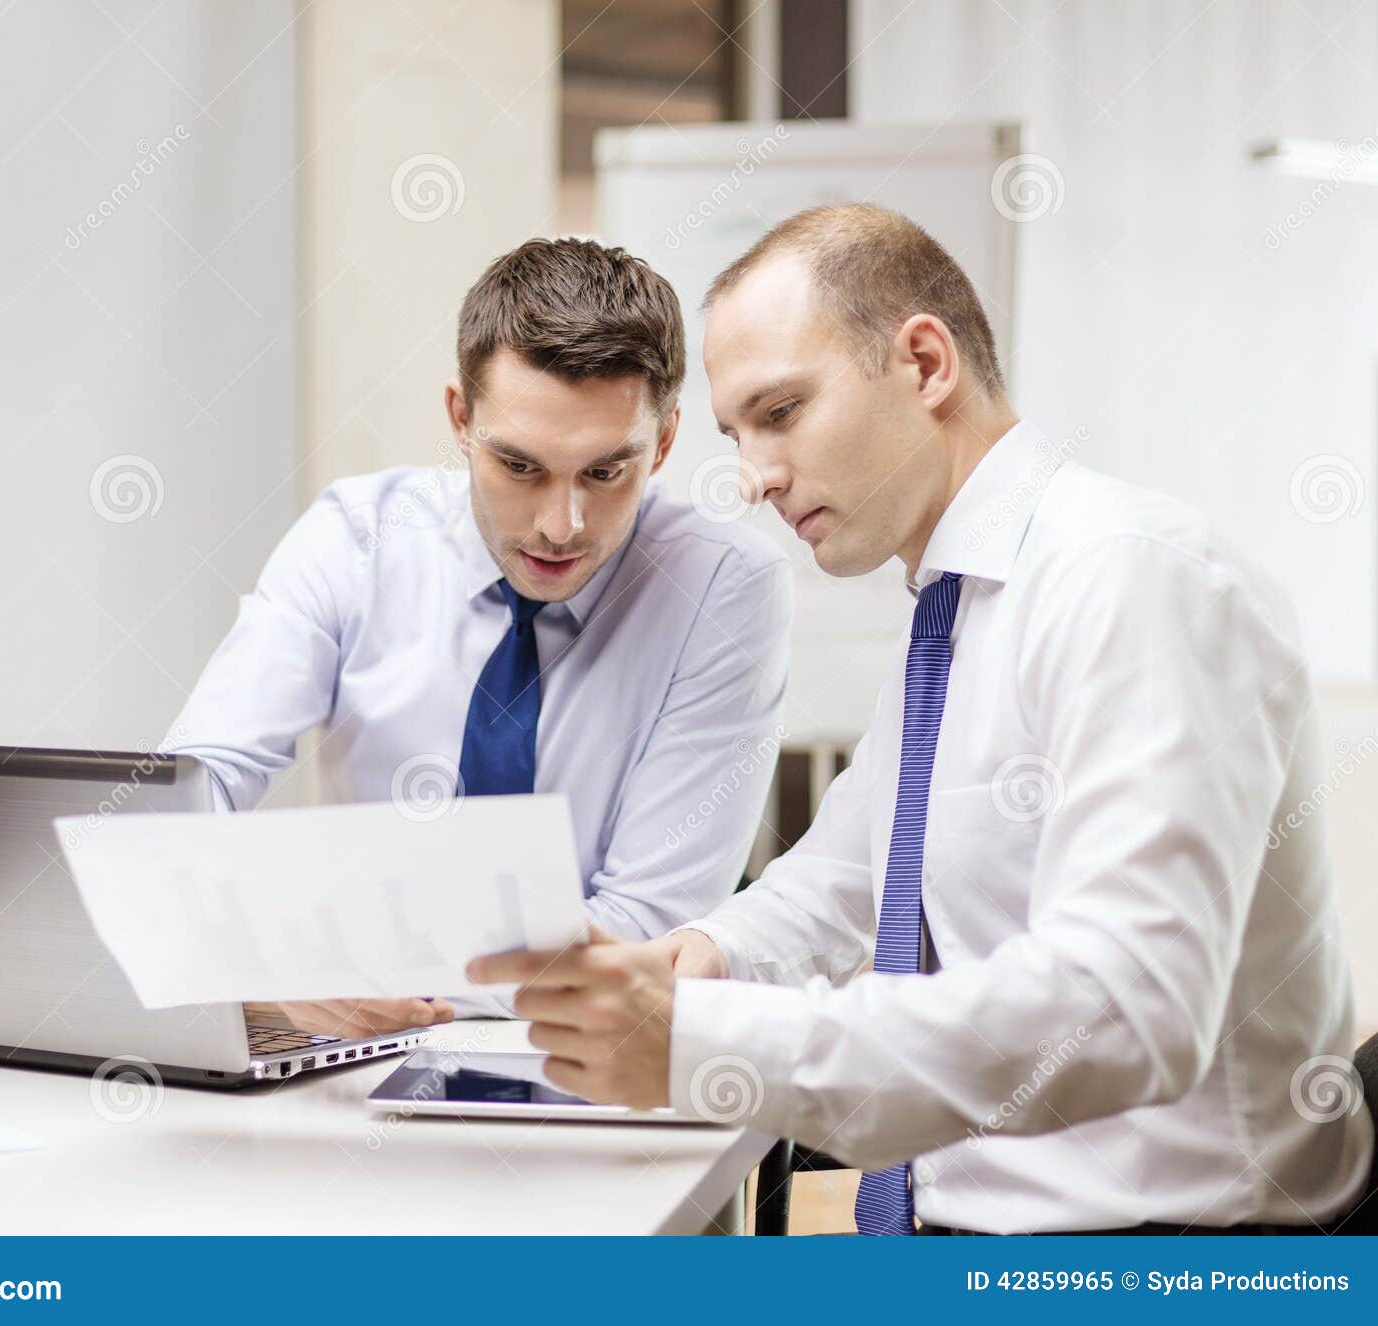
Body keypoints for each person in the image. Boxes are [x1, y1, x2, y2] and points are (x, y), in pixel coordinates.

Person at [470, 204, 1374, 1235]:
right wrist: (694, 962)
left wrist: (703, 1039)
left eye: (780, 411)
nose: (753, 474)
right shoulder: (955, 606)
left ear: (926, 363)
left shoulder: (1128, 581)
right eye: (736, 433)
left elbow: (1128, 1008)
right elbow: (844, 875)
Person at [166, 236, 792, 1038]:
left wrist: (350, 975)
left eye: (605, 472)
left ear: (664, 443)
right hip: (357, 1065)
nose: (559, 527)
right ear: (461, 419)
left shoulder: (723, 588)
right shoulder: (354, 540)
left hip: (586, 1070)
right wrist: (258, 966)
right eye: (519, 466)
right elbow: (194, 791)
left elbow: (643, 931)